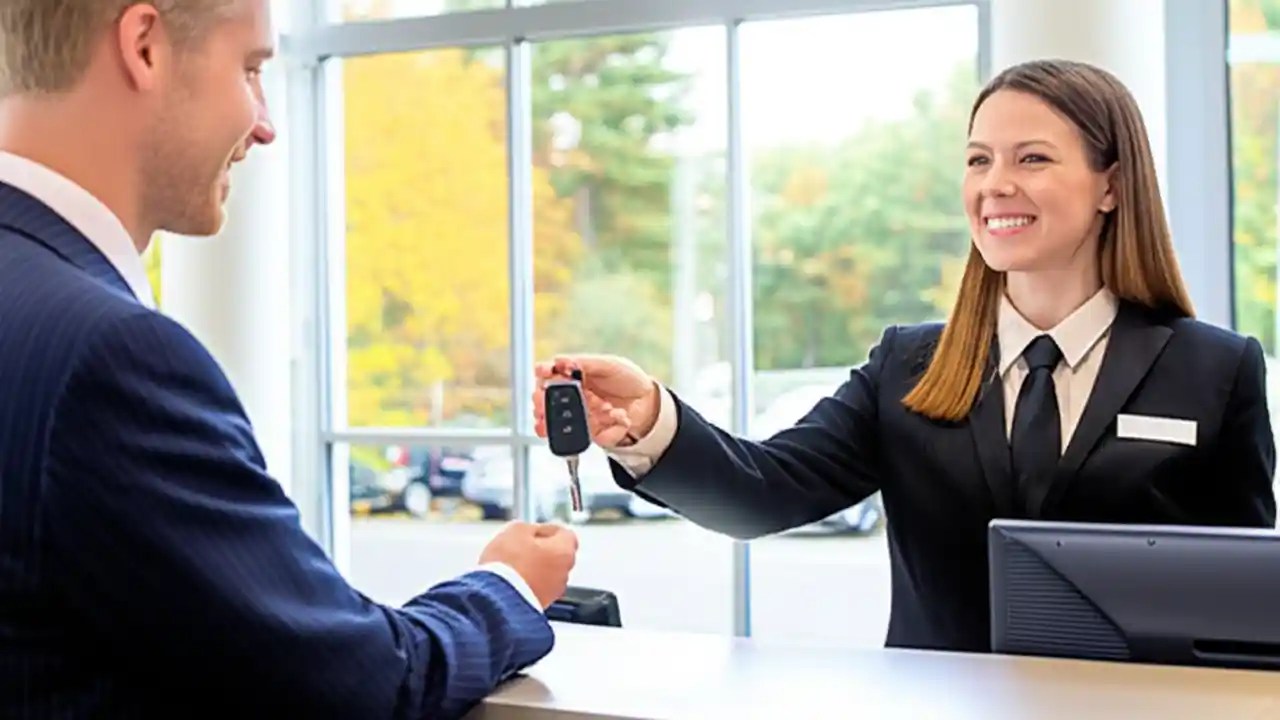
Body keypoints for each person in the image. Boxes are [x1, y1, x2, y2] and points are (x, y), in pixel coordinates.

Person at [534, 59, 1278, 653]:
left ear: (1111, 185)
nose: (995, 185)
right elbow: (762, 493)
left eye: (1033, 158)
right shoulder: (908, 367)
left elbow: (1248, 613)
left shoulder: (1216, 371)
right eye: (978, 159)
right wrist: (650, 422)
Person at [0, 2, 576, 718]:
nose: (266, 125)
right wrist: (508, 585)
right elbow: (363, 686)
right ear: (144, 46)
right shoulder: (113, 357)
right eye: (250, 69)